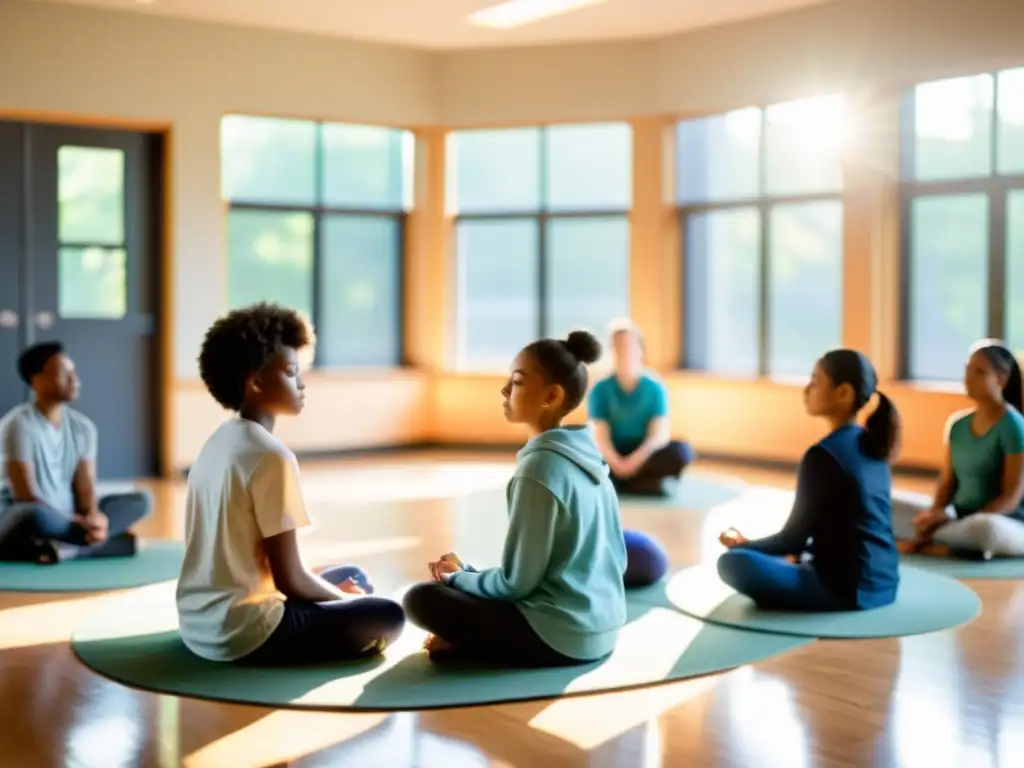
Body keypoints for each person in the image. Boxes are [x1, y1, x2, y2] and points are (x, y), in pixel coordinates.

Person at [175, 303, 405, 664]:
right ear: (255, 381)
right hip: (244, 635)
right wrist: (346, 602)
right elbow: (291, 579)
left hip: (198, 626)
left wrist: (334, 593)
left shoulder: (219, 441)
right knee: (389, 615)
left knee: (353, 575)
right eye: (290, 371)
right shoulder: (271, 456)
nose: (300, 382)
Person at [402, 330, 632, 666]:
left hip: (563, 636)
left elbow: (516, 585)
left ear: (551, 395)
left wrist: (457, 579)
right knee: (464, 588)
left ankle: (471, 647)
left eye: (519, 381)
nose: (505, 389)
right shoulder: (589, 456)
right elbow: (618, 561)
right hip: (605, 629)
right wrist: (469, 573)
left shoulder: (539, 467)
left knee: (421, 599)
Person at [716, 349, 900, 611]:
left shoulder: (822, 455)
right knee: (771, 558)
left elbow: (791, 541)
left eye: (815, 380)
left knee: (732, 562)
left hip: (843, 590)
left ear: (844, 393)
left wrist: (745, 545)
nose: (807, 389)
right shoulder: (873, 445)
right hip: (885, 586)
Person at [0, 342, 151, 564]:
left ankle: (59, 548)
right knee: (34, 515)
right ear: (36, 380)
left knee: (142, 500)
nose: (74, 380)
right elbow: (25, 494)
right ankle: (88, 545)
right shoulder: (18, 424)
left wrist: (94, 517)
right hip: (26, 515)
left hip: (70, 520)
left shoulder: (83, 427)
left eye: (73, 372)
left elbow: (85, 486)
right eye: (64, 374)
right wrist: (74, 523)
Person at [893, 340, 1024, 559]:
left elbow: (1010, 498)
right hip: (957, 520)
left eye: (979, 372)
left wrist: (960, 521)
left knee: (985, 530)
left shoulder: (1014, 426)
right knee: (889, 504)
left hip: (1002, 523)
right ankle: (944, 542)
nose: (968, 377)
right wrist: (934, 514)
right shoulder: (958, 425)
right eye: (967, 369)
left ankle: (941, 541)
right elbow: (947, 484)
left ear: (1002, 379)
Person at [588, 320, 694, 496]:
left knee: (682, 451)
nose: (624, 352)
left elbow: (658, 436)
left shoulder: (655, 387)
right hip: (612, 453)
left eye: (629, 346)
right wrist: (617, 464)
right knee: (580, 454)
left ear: (640, 350)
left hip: (644, 453)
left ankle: (624, 484)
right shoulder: (600, 389)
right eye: (618, 346)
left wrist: (632, 463)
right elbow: (600, 438)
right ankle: (639, 484)